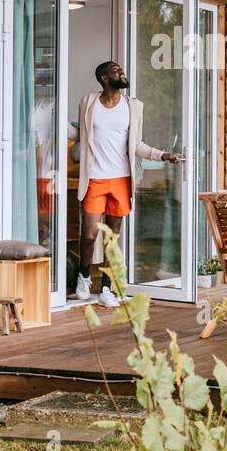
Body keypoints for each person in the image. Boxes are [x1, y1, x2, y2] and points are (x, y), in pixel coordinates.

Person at [67, 60, 179, 307]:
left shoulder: (133, 107)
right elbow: (81, 135)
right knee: (89, 234)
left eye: (122, 71)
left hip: (120, 179)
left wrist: (161, 155)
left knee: (112, 238)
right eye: (117, 71)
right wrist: (57, 126)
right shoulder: (88, 103)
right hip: (94, 177)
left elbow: (136, 144)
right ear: (105, 78)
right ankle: (83, 278)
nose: (122, 74)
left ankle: (106, 288)